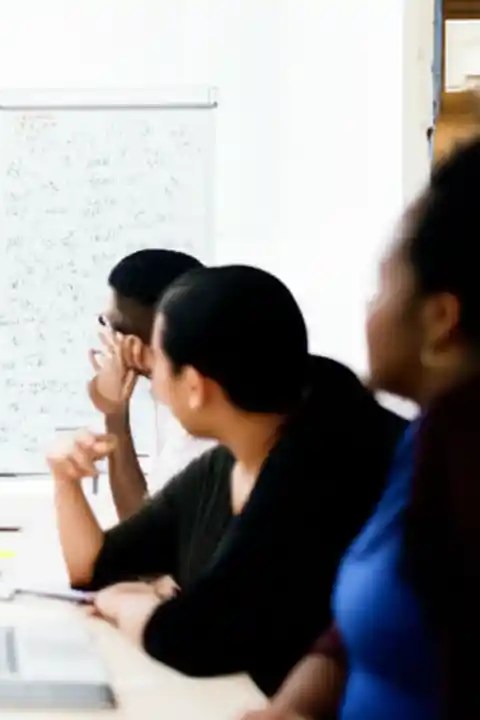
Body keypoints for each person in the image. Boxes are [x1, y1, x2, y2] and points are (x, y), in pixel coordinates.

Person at [47, 265, 404, 694]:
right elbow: (95, 566)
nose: (152, 379)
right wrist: (65, 480)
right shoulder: (228, 460)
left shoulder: (315, 466)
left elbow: (199, 638)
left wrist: (127, 606)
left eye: (158, 362)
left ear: (195, 386)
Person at [246, 140, 480, 720]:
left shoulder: (467, 460)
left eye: (383, 285)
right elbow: (362, 632)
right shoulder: (429, 436)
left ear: (440, 320)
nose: (369, 307)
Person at [90, 249, 214, 519]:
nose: (109, 339)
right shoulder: (176, 405)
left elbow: (145, 542)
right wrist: (115, 415)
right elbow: (143, 524)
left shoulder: (209, 425)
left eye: (115, 327)